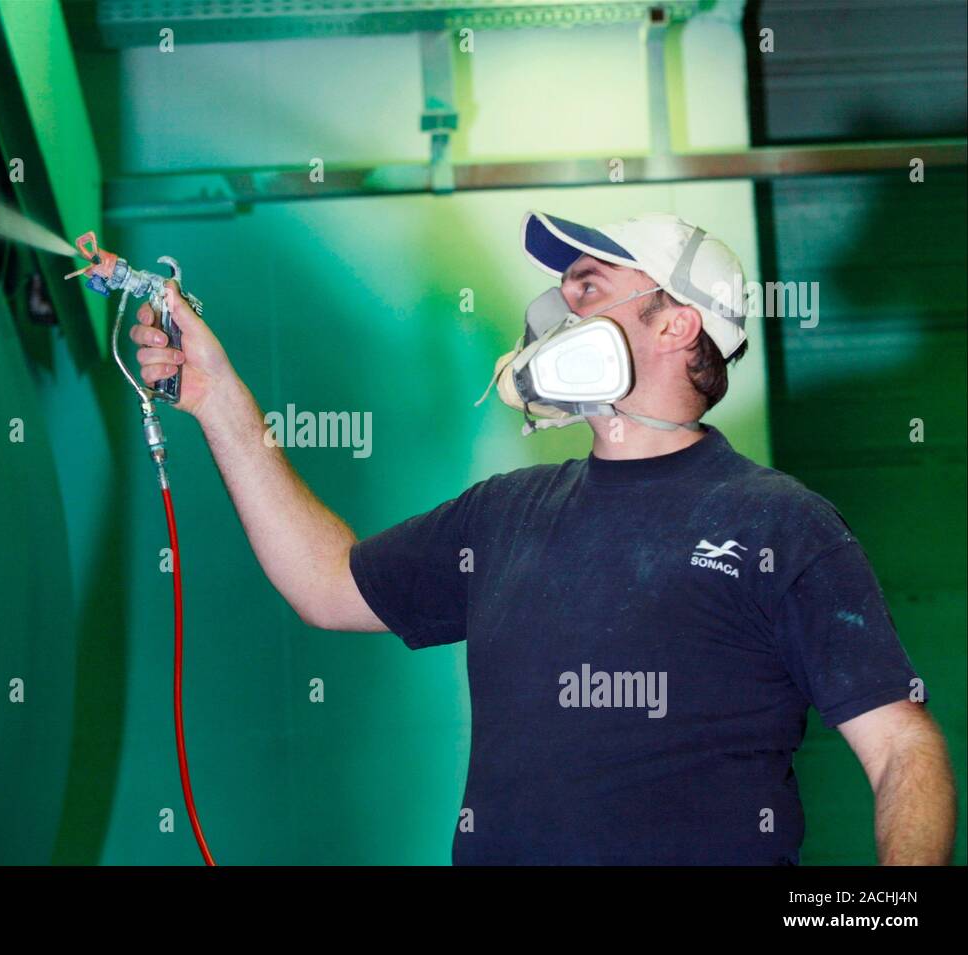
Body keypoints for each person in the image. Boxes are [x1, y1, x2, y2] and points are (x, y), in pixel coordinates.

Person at [128, 210, 956, 865]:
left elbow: (899, 748)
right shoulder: (503, 513)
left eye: (589, 288)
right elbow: (325, 584)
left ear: (677, 325)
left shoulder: (780, 522)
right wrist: (218, 397)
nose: (561, 314)